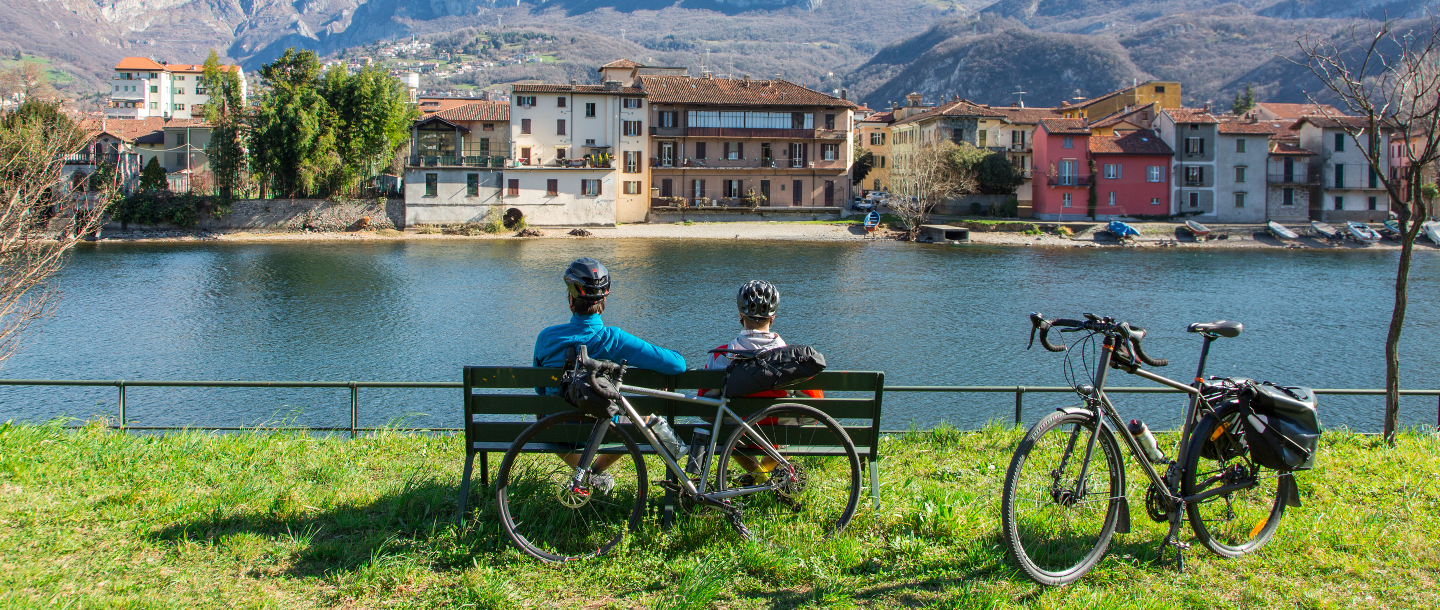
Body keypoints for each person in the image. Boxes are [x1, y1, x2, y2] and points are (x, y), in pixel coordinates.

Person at [533, 257, 686, 489]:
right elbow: (677, 364)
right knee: (639, 421)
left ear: (571, 299)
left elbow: (539, 389)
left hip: (555, 428)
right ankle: (594, 472)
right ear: (603, 299)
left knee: (545, 411)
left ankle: (587, 476)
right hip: (605, 429)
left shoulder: (546, 338)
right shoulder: (614, 339)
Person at [701, 280, 821, 477]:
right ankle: (764, 472)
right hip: (779, 436)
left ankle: (758, 475)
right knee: (800, 420)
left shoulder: (719, 356)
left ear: (740, 315)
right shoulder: (794, 360)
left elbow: (705, 410)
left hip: (737, 436)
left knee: (722, 423)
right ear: (773, 317)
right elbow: (815, 407)